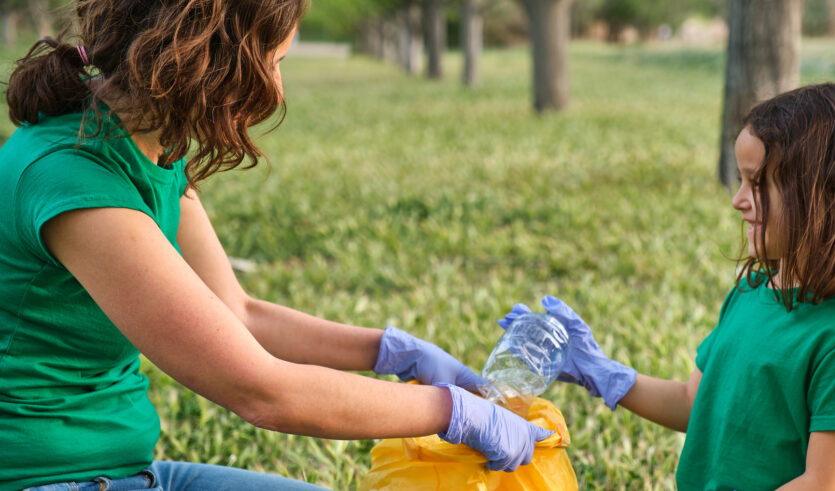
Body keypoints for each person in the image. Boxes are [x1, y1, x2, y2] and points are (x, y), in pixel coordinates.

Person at [0, 1, 552, 490]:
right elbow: (260, 391)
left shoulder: (152, 149)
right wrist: (452, 412)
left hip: (131, 471)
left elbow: (239, 313)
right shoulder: (75, 181)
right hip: (46, 478)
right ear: (206, 57)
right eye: (275, 62)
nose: (278, 91)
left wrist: (392, 350)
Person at [501, 83, 835, 489]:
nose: (738, 201)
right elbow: (693, 402)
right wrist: (606, 374)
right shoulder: (752, 292)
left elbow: (823, 484)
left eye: (757, 184)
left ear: (822, 196)